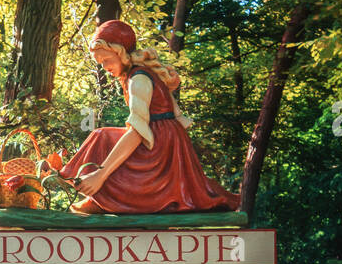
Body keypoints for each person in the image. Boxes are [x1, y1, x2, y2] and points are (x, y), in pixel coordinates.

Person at [56, 20, 239, 214]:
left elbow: (137, 132)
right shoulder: (138, 76)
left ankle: (100, 194)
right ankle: (92, 193)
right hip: (164, 138)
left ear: (121, 53)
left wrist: (101, 174)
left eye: (106, 61)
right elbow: (177, 116)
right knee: (103, 135)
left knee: (103, 136)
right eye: (100, 63)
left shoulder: (139, 79)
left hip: (160, 145)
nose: (104, 67)